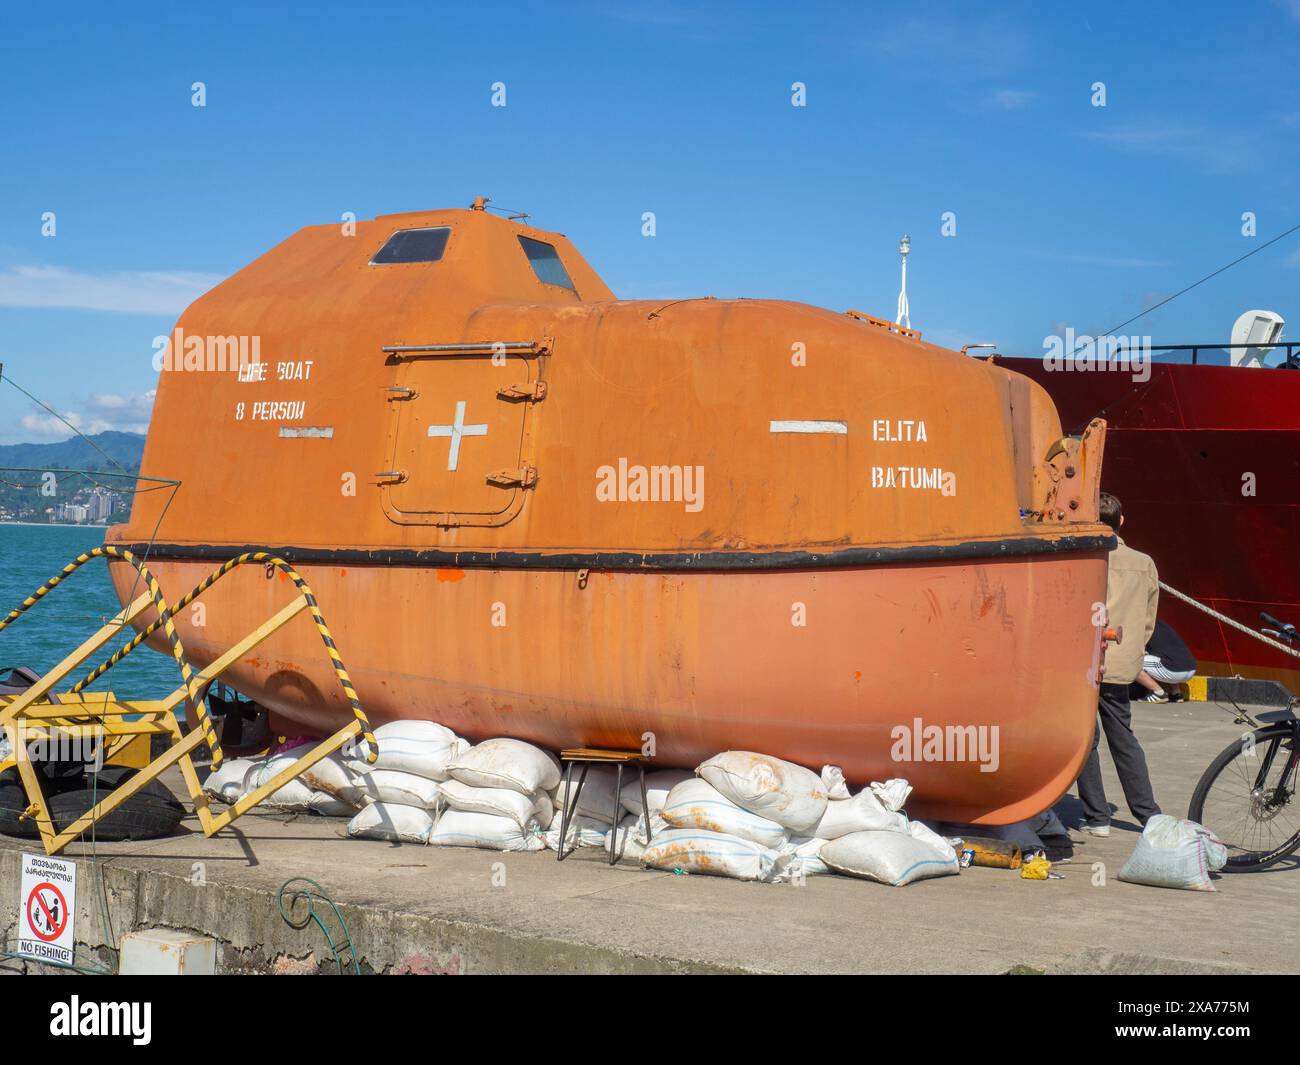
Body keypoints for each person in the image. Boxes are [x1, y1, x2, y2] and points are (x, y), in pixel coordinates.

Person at [1075, 492, 1162, 836]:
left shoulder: (1083, 558)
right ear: (1121, 521)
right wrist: (1132, 653)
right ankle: (1148, 813)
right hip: (1122, 659)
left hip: (1082, 661)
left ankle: (1097, 817)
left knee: (1085, 739)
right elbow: (1148, 620)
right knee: (1122, 737)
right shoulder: (1144, 562)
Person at [1134, 619, 1196, 702]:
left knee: (1131, 663)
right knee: (1168, 657)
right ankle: (1176, 693)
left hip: (1174, 670)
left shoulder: (1141, 625)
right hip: (1191, 668)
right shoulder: (1160, 623)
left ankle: (1158, 693)